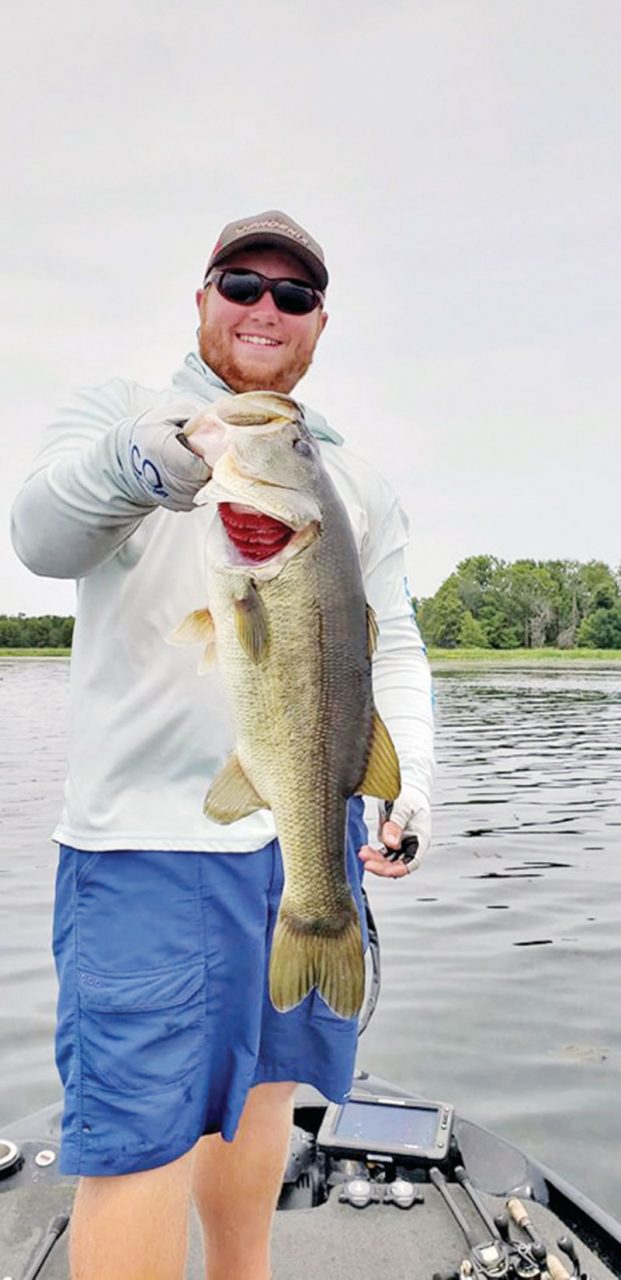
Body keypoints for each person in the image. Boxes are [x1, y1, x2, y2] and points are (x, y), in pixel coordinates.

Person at [11, 210, 434, 1280]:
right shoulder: (122, 417)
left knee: (263, 1089)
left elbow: (396, 642)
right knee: (139, 1131)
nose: (265, 308)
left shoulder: (350, 479)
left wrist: (409, 780)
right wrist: (141, 466)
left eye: (293, 296)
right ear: (202, 298)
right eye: (242, 283)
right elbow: (40, 536)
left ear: (319, 325)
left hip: (298, 833)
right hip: (145, 851)